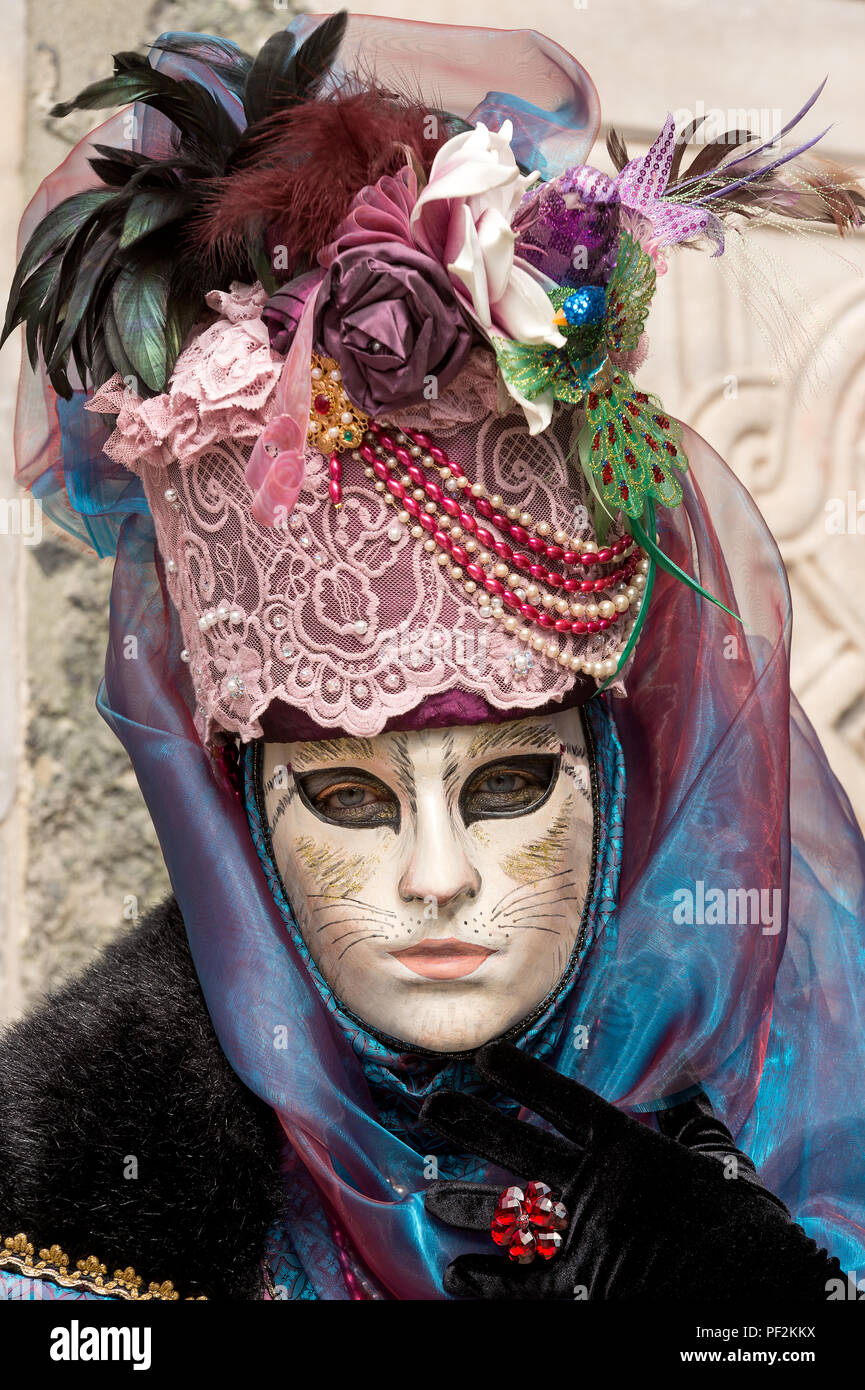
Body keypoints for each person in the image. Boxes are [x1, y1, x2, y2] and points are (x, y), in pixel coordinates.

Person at [1, 11, 864, 1302]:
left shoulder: (797, 1109)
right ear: (241, 815)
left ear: (615, 770)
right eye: (346, 797)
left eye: (510, 783)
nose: (440, 880)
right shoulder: (88, 1206)